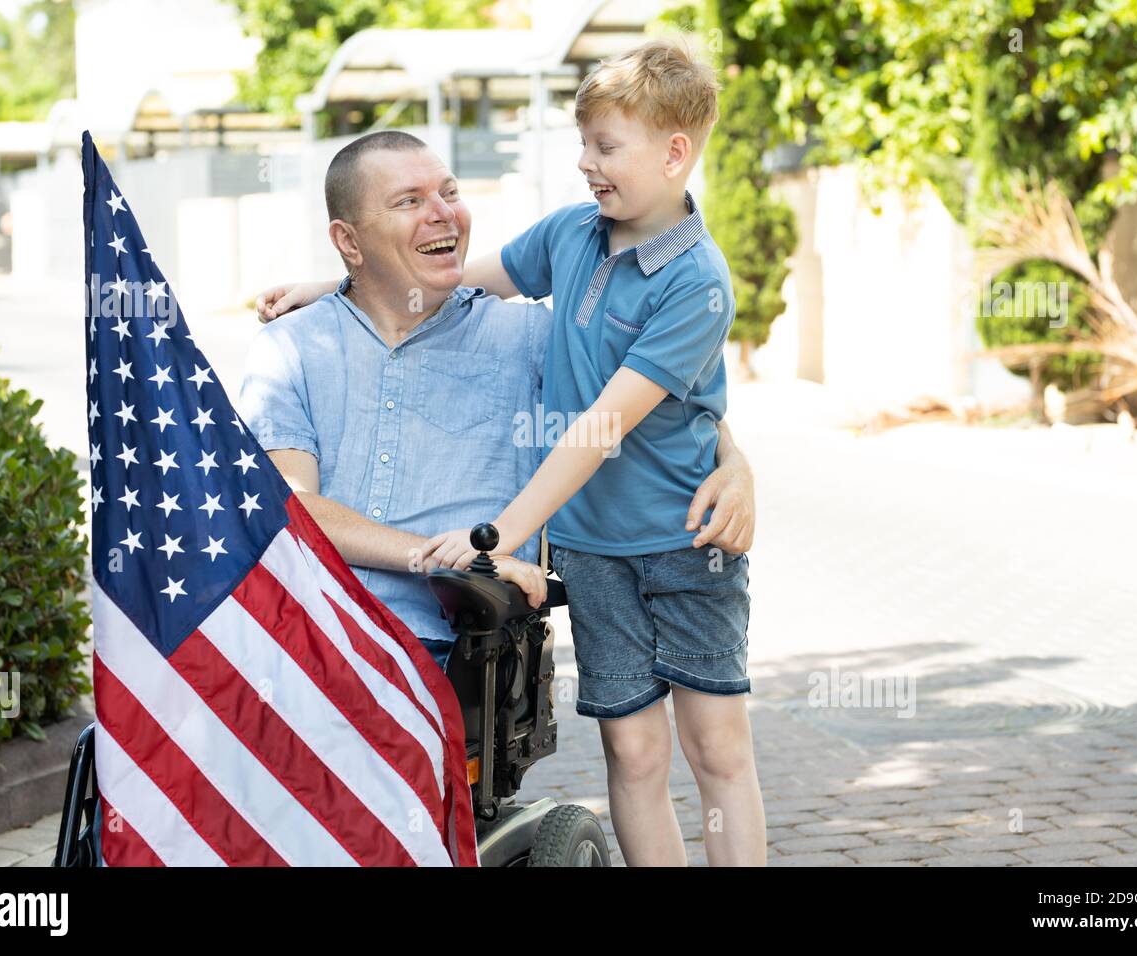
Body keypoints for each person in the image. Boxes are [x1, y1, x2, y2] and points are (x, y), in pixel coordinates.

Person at [255, 40, 765, 867]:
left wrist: (731, 458)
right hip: (568, 563)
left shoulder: (648, 295)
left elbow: (613, 414)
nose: (586, 164)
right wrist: (330, 290)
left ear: (674, 153)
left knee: (717, 750)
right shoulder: (568, 238)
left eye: (606, 147)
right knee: (633, 757)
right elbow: (476, 283)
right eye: (586, 144)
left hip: (656, 554)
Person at [239, 127, 756, 683]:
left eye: (450, 192)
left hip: (454, 651)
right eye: (409, 201)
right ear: (348, 241)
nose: (443, 213)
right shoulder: (291, 346)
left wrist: (734, 463)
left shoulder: (529, 338)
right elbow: (291, 506)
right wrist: (449, 558)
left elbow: (646, 401)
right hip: (310, 636)